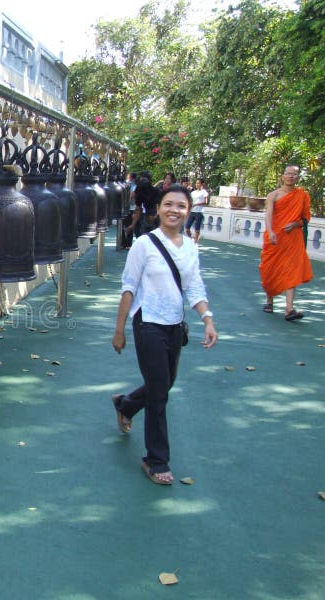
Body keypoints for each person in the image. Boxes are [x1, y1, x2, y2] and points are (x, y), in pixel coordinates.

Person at [111, 184, 218, 485]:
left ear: (188, 211)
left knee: (165, 383)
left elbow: (194, 287)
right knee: (159, 392)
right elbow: (129, 287)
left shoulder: (190, 248)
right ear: (158, 209)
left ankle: (126, 404)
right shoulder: (144, 244)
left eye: (181, 206)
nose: (174, 210)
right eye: (168, 204)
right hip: (147, 323)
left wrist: (207, 319)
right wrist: (119, 330)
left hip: (174, 325)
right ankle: (155, 460)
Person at [259, 165, 313, 321]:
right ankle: (270, 300)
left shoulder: (302, 196)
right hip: (275, 237)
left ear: (298, 178)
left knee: (291, 271)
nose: (291, 176)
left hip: (292, 238)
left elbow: (305, 218)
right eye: (288, 174)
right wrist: (270, 232)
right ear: (282, 177)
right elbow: (268, 216)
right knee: (270, 269)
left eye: (294, 174)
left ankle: (289, 309)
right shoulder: (273, 195)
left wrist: (295, 224)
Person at [126, 171, 159, 238]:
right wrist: (132, 225)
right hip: (148, 216)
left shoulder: (156, 191)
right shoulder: (142, 193)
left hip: (153, 216)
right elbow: (138, 209)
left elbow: (159, 205)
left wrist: (156, 215)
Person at [184, 178, 209, 243]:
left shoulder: (204, 192)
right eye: (196, 183)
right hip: (192, 212)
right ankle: (191, 239)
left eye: (198, 183)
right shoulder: (193, 192)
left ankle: (195, 242)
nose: (197, 184)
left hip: (199, 212)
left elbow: (205, 202)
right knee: (187, 228)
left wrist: (196, 204)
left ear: (202, 184)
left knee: (197, 229)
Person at [120, 171, 138, 249]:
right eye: (127, 178)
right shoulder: (124, 185)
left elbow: (131, 196)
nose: (128, 180)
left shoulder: (135, 186)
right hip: (124, 207)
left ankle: (128, 244)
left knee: (129, 226)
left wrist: (128, 189)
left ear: (133, 179)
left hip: (132, 208)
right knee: (121, 225)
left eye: (129, 178)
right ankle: (123, 243)